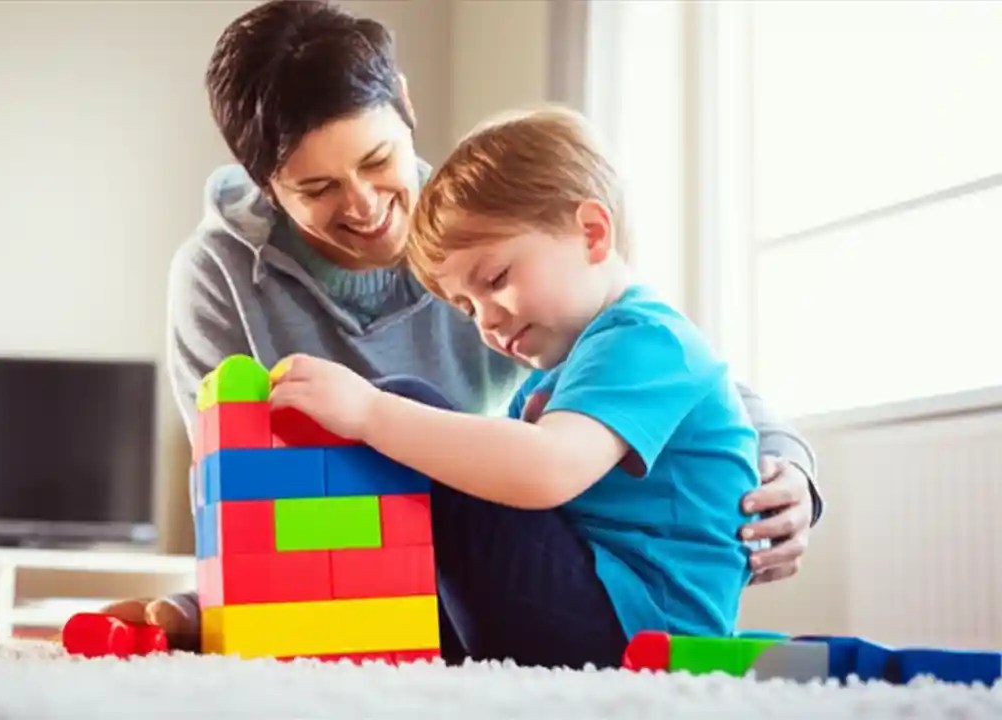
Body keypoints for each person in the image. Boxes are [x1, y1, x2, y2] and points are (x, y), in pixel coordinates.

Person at [101, 0, 821, 657]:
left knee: (412, 401)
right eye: (317, 190)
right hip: (460, 562)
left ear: (407, 107)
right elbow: (244, 496)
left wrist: (789, 464)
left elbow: (675, 372)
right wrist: (225, 604)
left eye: (378, 161)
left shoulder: (504, 230)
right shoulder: (220, 277)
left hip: (611, 606)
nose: (365, 207)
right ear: (266, 186)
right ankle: (290, 623)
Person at [265, 103, 759, 666]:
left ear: (593, 233)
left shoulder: (649, 341)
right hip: (593, 606)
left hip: (637, 632)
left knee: (408, 406)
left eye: (495, 280)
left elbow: (545, 470)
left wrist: (372, 413)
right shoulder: (558, 376)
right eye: (466, 307)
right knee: (425, 455)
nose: (487, 322)